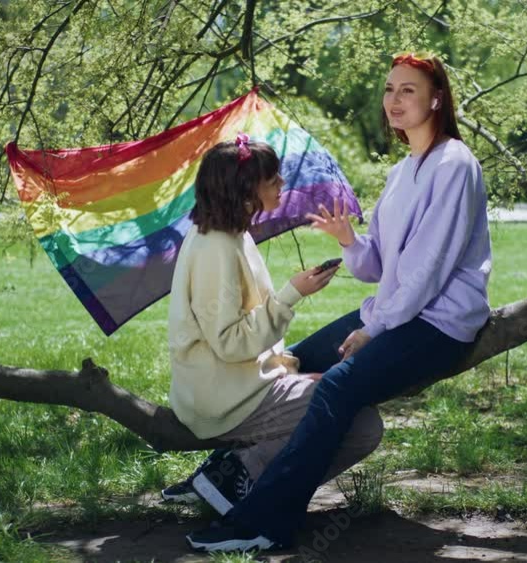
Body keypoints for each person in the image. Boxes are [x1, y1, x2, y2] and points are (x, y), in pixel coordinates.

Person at [186, 51, 493, 552]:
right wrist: (349, 240)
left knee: (336, 387)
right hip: (397, 312)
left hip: (439, 322)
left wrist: (376, 329)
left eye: (409, 90)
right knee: (300, 359)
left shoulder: (454, 164)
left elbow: (428, 271)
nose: (394, 100)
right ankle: (231, 472)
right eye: (389, 89)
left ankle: (263, 522)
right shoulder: (402, 172)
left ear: (437, 99)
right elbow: (378, 267)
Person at [162, 134, 385, 516]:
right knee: (363, 426)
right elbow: (230, 343)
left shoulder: (231, 234)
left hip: (238, 384)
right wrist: (290, 295)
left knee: (344, 382)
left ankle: (224, 472)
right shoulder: (216, 247)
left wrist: (289, 376)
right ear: (246, 188)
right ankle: (244, 481)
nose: (282, 184)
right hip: (223, 400)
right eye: (272, 179)